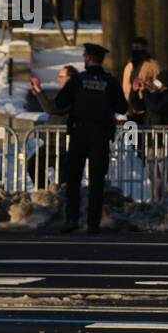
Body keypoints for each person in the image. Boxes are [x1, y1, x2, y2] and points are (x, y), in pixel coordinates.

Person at [50, 43, 127, 234]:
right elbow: (122, 108)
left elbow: (60, 102)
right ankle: (93, 223)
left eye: (85, 57)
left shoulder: (78, 79)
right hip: (100, 136)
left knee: (74, 179)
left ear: (88, 59)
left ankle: (72, 219)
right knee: (97, 181)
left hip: (79, 134)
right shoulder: (110, 82)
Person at [28, 65, 77, 188]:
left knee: (61, 176)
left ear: (70, 78)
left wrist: (39, 92)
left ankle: (58, 198)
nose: (58, 79)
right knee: (34, 165)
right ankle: (49, 195)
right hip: (54, 142)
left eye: (61, 76)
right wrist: (39, 92)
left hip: (62, 143)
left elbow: (51, 108)